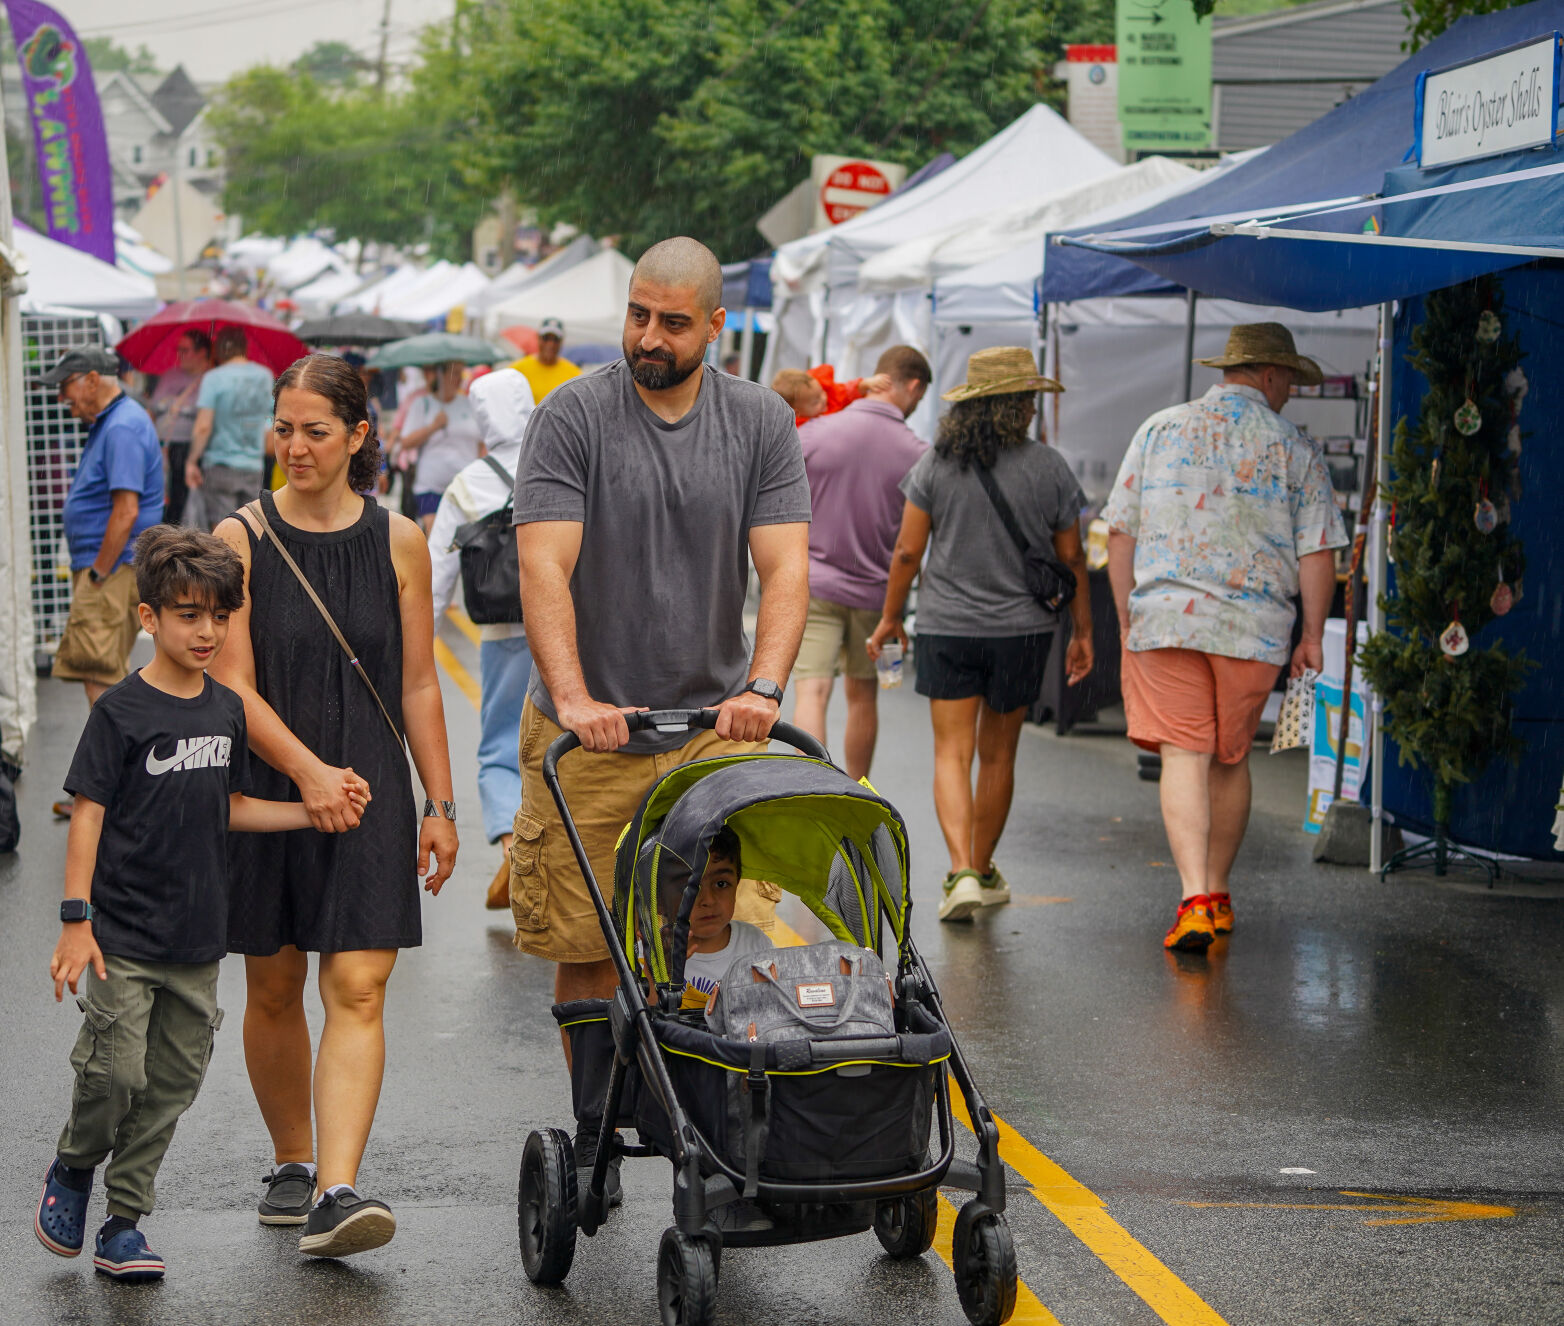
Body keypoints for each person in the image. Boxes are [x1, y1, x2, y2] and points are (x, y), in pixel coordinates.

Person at [513, 234, 811, 1194]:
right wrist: (573, 699)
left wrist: (763, 688)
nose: (648, 335)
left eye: (672, 322)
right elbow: (543, 566)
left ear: (716, 326)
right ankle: (596, 1133)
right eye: (638, 313)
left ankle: (714, 1127)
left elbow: (785, 569)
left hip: (711, 731)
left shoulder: (761, 421)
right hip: (591, 736)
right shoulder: (572, 417)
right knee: (589, 945)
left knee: (708, 936)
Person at [36, 525, 367, 1283]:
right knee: (115, 1073)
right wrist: (74, 920)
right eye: (189, 615)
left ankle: (124, 1223)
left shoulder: (225, 710)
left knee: (170, 1085)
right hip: (121, 933)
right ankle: (75, 1162)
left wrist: (310, 810)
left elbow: (231, 804)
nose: (208, 631)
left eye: (220, 615)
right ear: (149, 618)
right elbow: (87, 812)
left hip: (197, 941)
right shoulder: (120, 712)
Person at [211, 353, 459, 1258]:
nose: (294, 446)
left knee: (357, 985)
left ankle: (338, 1187)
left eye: (316, 431)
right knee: (273, 983)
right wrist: (309, 771)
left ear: (360, 437)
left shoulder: (400, 541)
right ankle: (292, 1158)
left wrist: (439, 801)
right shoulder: (239, 538)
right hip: (273, 784)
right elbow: (232, 684)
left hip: (367, 790)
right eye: (285, 428)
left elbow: (422, 684)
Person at [1104, 323, 1347, 953]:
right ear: (1268, 375)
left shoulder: (1159, 428)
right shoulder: (1295, 446)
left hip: (1167, 620)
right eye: (1289, 378)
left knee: (1183, 755)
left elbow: (1120, 533)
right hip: (1252, 629)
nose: (1290, 390)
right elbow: (1318, 549)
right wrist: (1313, 635)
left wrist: (1129, 617)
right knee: (1230, 758)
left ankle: (1193, 900)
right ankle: (1218, 888)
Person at [869, 346, 1093, 922]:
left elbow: (908, 551)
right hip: (1022, 633)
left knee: (951, 750)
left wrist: (891, 617)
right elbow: (1072, 558)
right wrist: (1082, 631)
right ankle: (984, 868)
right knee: (997, 756)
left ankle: (960, 871)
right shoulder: (1050, 467)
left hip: (947, 624)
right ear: (1020, 405)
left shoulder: (938, 464)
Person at [793, 345, 930, 779]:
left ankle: (810, 790)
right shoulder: (920, 454)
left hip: (815, 584)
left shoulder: (814, 432)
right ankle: (855, 790)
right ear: (912, 386)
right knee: (863, 694)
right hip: (877, 595)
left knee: (811, 691)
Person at [427, 368, 537, 909]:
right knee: (573, 743)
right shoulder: (564, 464)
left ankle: (514, 846)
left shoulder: (468, 482)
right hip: (571, 631)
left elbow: (434, 579)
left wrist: (415, 650)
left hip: (502, 632)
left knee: (500, 748)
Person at [44, 345, 164, 721]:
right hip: (114, 564)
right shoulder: (117, 421)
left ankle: (119, 767)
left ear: (93, 380)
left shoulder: (122, 425)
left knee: (98, 671)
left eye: (66, 386)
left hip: (111, 567)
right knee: (100, 669)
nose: (62, 397)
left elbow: (126, 511)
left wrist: (99, 571)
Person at [186, 328, 274, 528]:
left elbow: (203, 426)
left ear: (219, 349)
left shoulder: (214, 378)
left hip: (220, 463)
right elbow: (271, 416)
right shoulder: (265, 376)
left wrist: (192, 461)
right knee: (250, 527)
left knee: (223, 531)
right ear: (244, 348)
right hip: (253, 464)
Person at [677, 827, 773, 1005]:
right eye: (691, 887)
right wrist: (659, 972)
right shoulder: (656, 951)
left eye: (721, 884)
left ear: (737, 883)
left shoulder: (755, 944)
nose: (708, 900)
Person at [397, 361, 482, 531]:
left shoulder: (469, 403)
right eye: (455, 373)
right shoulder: (423, 404)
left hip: (464, 485)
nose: (460, 378)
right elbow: (406, 442)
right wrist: (433, 427)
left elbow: (482, 442)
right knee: (434, 534)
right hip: (431, 485)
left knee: (462, 536)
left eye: (461, 373)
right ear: (441, 375)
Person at [148, 331, 213, 525]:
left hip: (187, 447)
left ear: (202, 352)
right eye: (179, 350)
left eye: (185, 350)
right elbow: (152, 409)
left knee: (181, 504)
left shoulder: (209, 378)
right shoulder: (170, 376)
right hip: (161, 447)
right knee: (161, 500)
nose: (180, 355)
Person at [771, 364, 889, 429]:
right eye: (815, 402)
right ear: (797, 413)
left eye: (822, 392)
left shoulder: (829, 396)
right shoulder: (796, 430)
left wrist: (866, 383)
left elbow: (846, 391)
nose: (823, 399)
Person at [511, 316, 580, 402]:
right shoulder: (517, 370)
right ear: (538, 338)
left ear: (561, 342)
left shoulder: (574, 374)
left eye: (556, 339)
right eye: (546, 338)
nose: (550, 344)